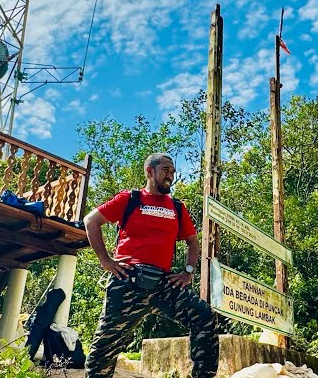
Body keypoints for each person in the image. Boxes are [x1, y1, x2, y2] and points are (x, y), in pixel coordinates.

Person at [83, 153, 219, 378]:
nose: (170, 176)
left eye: (173, 172)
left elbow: (193, 242)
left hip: (163, 284)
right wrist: (106, 261)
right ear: (149, 171)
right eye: (166, 170)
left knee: (204, 316)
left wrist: (187, 272)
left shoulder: (177, 207)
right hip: (128, 280)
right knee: (105, 347)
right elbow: (91, 221)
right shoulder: (130, 199)